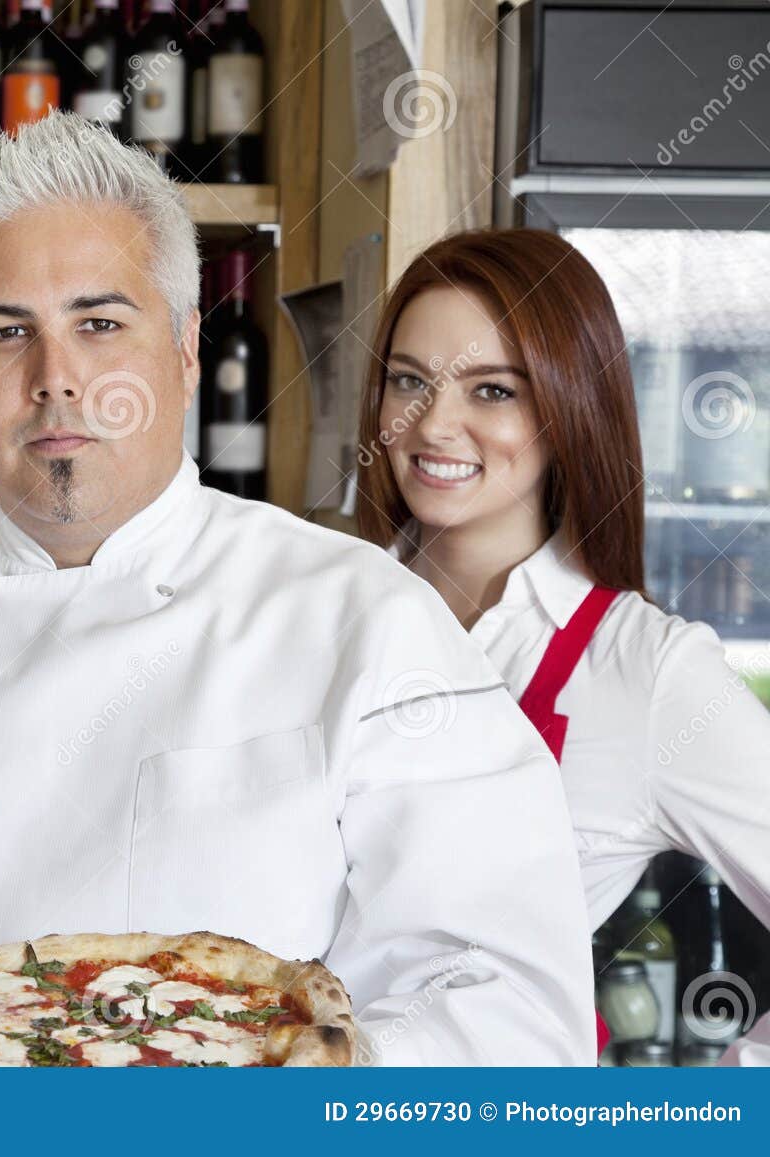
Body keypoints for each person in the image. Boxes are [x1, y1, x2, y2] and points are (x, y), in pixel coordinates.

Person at [0, 112, 596, 1068]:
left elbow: (503, 996)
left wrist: (299, 1079)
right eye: (5, 333)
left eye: (100, 322)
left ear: (185, 349)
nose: (56, 377)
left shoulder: (366, 623)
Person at [358, 227, 770, 1061]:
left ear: (568, 405)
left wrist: (719, 1107)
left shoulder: (646, 674)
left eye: (492, 391)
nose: (434, 424)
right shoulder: (326, 606)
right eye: (409, 381)